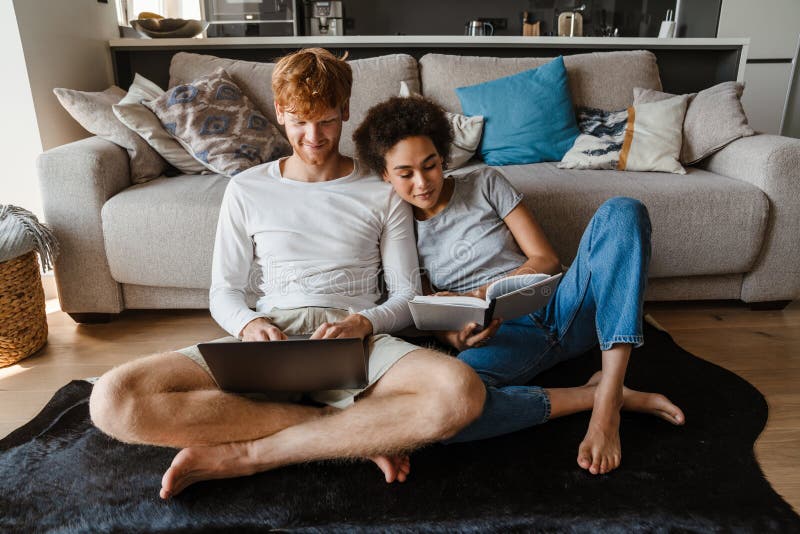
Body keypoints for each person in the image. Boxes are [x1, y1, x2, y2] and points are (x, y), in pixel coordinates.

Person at [88, 49, 486, 500]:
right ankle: (342, 432)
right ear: (278, 112)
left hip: (357, 339)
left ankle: (252, 453)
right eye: (298, 121)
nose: (313, 136)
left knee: (461, 392)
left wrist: (364, 323)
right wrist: (249, 323)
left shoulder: (381, 190)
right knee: (114, 399)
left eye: (326, 121)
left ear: (346, 111)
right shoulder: (247, 188)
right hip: (273, 336)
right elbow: (225, 291)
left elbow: (405, 294)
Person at [353, 96, 685, 476]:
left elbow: (544, 260)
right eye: (405, 173)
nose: (422, 182)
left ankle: (609, 399)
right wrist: (455, 338)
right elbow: (424, 306)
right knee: (447, 414)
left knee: (623, 211)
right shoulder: (396, 228)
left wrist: (479, 294)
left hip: (563, 307)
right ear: (385, 174)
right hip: (502, 339)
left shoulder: (484, 182)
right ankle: (589, 396)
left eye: (430, 166)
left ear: (443, 157)